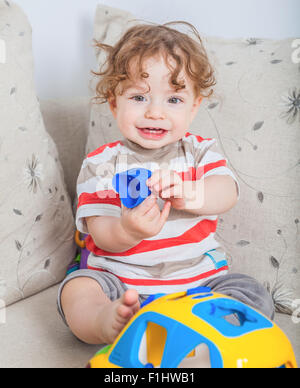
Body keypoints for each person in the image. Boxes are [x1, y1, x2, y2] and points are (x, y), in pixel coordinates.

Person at [57, 22, 274, 345]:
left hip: (199, 287)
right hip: (121, 284)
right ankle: (108, 321)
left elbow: (226, 192)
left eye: (173, 100)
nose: (156, 112)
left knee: (251, 292)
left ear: (194, 106)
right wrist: (127, 232)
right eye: (139, 97)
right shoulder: (101, 163)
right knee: (77, 289)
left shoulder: (199, 152)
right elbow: (99, 229)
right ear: (115, 103)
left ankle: (210, 330)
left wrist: (193, 193)